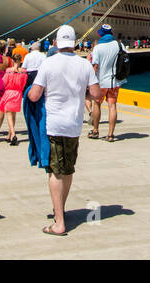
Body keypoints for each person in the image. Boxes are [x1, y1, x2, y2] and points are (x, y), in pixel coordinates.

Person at [27, 25, 99, 237]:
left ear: (56, 43)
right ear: (75, 43)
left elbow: (34, 96)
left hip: (54, 124)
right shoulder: (84, 65)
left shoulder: (48, 63)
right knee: (67, 169)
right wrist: (79, 93)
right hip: (74, 125)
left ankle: (59, 222)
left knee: (55, 172)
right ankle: (61, 209)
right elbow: (95, 93)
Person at [89, 24, 127, 141]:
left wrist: (90, 81)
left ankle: (95, 131)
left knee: (97, 104)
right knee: (112, 106)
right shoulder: (119, 45)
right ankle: (110, 134)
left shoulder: (98, 48)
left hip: (101, 82)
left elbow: (95, 66)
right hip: (115, 82)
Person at [0, 52, 28, 145]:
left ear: (12, 60)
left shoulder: (9, 71)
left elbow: (4, 82)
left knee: (9, 114)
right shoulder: (23, 72)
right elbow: (23, 84)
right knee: (13, 114)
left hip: (9, 92)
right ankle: (9, 136)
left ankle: (13, 134)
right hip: (18, 93)